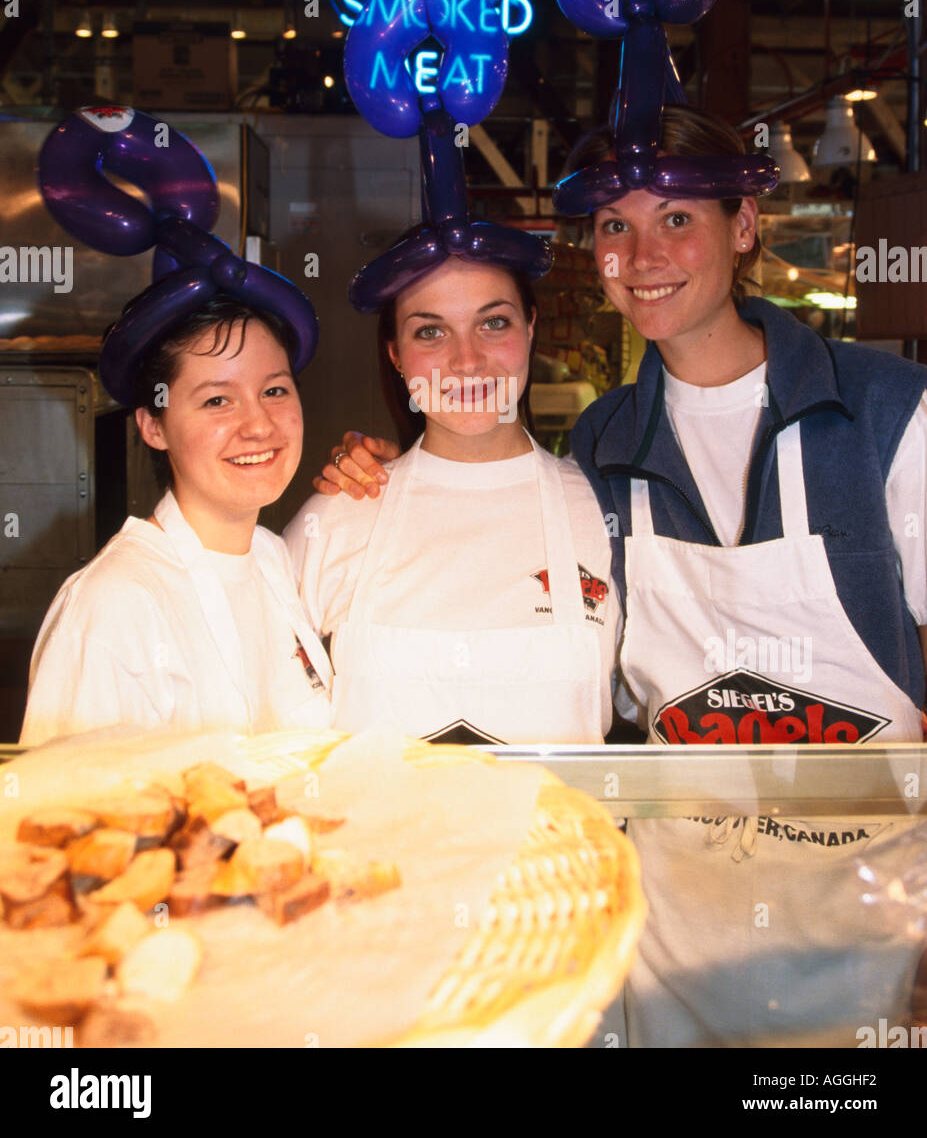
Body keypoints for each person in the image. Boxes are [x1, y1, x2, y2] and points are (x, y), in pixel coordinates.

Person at [319, 102, 927, 1044]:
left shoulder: (889, 414)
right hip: (672, 927)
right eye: (614, 226)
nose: (643, 255)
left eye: (677, 217)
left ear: (746, 225)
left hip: (867, 922)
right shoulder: (599, 446)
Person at [285, 253, 619, 745]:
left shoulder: (601, 510)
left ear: (530, 328)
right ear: (396, 354)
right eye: (430, 332)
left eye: (494, 322)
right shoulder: (339, 514)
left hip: (559, 824)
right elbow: (268, 717)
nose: (466, 360)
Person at [22, 295, 333, 745]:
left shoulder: (270, 556)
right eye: (218, 400)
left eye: (273, 390)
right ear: (153, 426)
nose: (259, 425)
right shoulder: (113, 605)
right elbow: (62, 807)